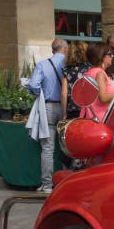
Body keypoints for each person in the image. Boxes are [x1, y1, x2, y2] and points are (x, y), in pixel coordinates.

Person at [27, 39, 68, 193]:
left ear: (53, 49)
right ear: (64, 49)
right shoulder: (69, 65)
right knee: (67, 147)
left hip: (48, 107)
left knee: (48, 148)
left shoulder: (42, 65)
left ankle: (47, 185)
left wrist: (40, 94)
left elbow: (33, 85)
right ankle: (68, 181)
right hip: (65, 108)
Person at [81, 43, 114, 122]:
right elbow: (103, 98)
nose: (112, 56)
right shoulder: (99, 73)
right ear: (101, 56)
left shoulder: (89, 72)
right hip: (102, 118)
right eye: (110, 54)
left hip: (92, 117)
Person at [61, 40, 90, 119]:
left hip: (72, 109)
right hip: (87, 108)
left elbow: (64, 93)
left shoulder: (66, 70)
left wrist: (64, 113)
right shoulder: (89, 68)